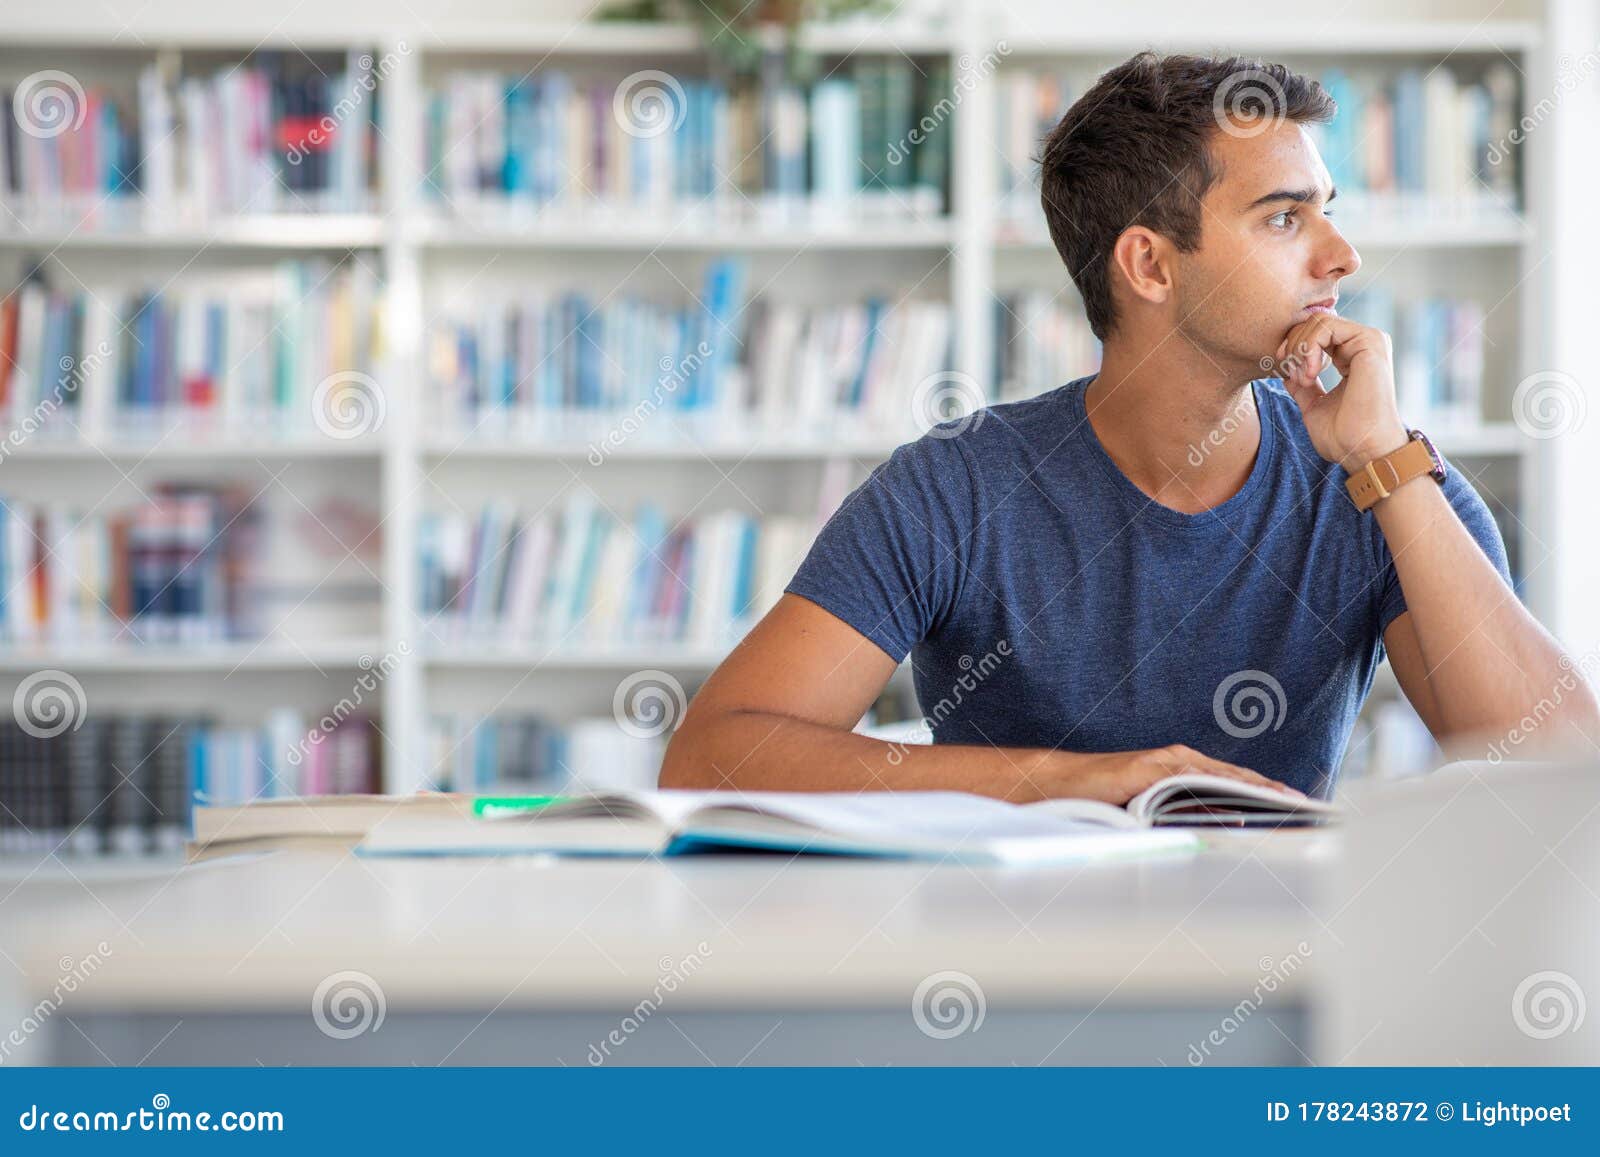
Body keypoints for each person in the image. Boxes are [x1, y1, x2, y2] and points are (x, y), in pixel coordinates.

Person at [660, 52, 1599, 804]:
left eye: (1328, 215)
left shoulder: (1380, 473)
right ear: (1149, 265)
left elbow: (1562, 771)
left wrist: (1386, 466)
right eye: (1283, 219)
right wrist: (1067, 780)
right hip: (1002, 971)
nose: (1341, 256)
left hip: (1276, 971)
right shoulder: (954, 487)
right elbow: (712, 757)